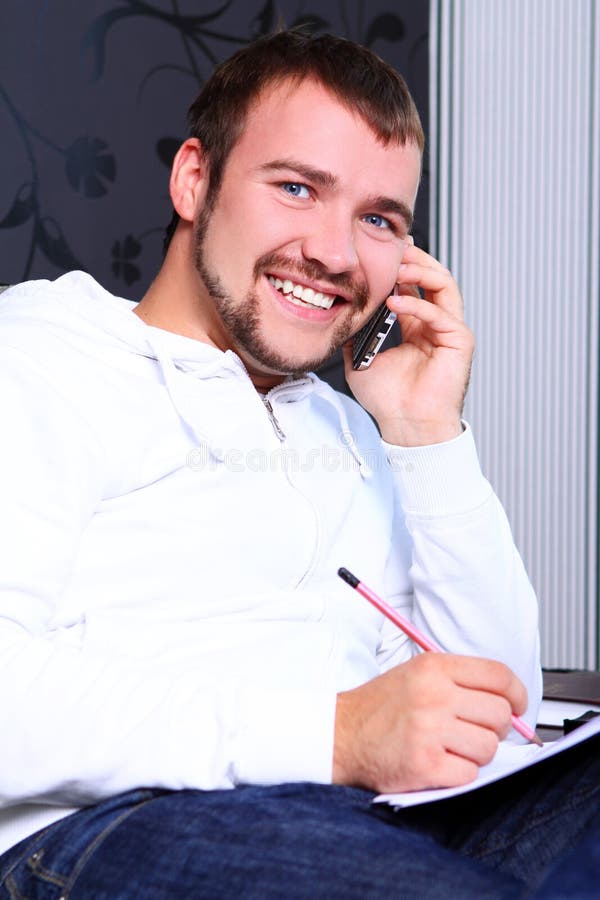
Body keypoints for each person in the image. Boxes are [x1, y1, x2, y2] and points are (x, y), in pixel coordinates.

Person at [0, 28, 598, 899]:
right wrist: (340, 733)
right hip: (122, 824)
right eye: (296, 188)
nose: (335, 253)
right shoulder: (42, 357)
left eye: (379, 219)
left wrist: (426, 432)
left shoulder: (355, 431)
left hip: (384, 814)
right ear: (194, 180)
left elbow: (497, 703)